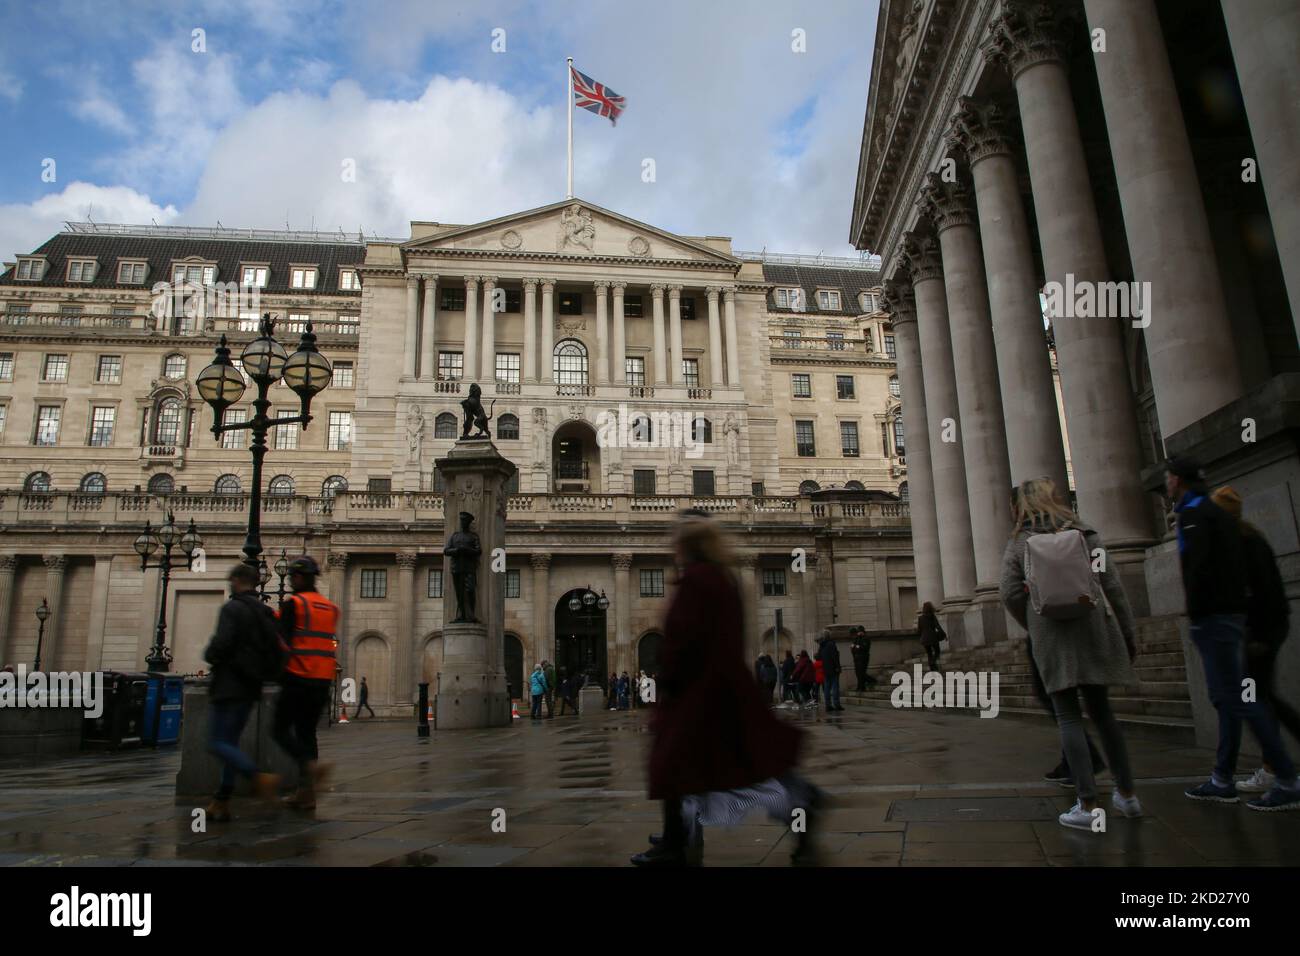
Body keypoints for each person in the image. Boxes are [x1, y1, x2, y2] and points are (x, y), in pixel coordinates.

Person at [631, 510, 821, 866]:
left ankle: (801, 800)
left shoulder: (697, 581)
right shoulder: (720, 577)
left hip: (699, 692)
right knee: (731, 764)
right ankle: (678, 836)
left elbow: (683, 640)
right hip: (717, 687)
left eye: (677, 543)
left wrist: (667, 683)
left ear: (687, 546)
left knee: (680, 764)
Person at [999, 477, 1143, 832]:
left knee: (1068, 717)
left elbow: (1008, 593)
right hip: (1093, 626)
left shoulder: (1021, 542)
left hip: (1050, 633)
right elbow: (1112, 583)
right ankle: (1127, 794)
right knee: (1103, 713)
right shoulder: (1084, 531)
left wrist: (1033, 620)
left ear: (1022, 507)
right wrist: (1127, 631)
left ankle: (1088, 804)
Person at [1167, 459, 1300, 810]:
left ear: (1176, 480)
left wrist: (1197, 613)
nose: (1166, 481)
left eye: (1168, 476)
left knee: (1242, 698)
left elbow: (1198, 568)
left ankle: (1286, 777)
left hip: (1215, 618)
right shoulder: (1217, 515)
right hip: (1229, 616)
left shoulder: (1195, 513)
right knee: (1230, 699)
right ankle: (1223, 778)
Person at [1210, 486, 1300, 793]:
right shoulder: (1249, 538)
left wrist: (1257, 635)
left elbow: (1259, 592)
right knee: (1262, 698)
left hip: (1261, 631)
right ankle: (1272, 767)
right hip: (1262, 629)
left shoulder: (1244, 542)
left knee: (1261, 699)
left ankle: (1278, 771)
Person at [203, 563, 281, 821]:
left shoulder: (232, 608)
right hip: (251, 687)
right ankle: (221, 801)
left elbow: (221, 644)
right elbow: (275, 649)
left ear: (237, 581)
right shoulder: (266, 613)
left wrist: (210, 655)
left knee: (217, 742)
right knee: (231, 742)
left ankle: (257, 776)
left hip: (229, 684)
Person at [271, 555, 340, 811]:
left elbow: (282, 643)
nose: (290, 581)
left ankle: (309, 770)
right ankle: (306, 793)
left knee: (278, 729)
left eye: (292, 577)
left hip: (298, 677)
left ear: (298, 577)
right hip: (323, 680)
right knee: (307, 733)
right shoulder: (330, 607)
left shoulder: (295, 604)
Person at [817, 630, 844, 711]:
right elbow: (835, 657)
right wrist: (838, 667)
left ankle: (828, 705)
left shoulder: (821, 645)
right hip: (833, 669)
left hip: (825, 669)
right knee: (835, 687)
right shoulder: (831, 644)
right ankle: (836, 704)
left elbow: (819, 657)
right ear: (829, 636)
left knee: (827, 688)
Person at [918, 603, 944, 673]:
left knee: (929, 654)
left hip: (924, 639)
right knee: (937, 651)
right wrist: (944, 634)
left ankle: (932, 668)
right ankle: (933, 662)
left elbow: (919, 630)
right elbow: (937, 626)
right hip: (933, 638)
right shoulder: (932, 617)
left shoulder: (920, 618)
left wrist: (921, 637)